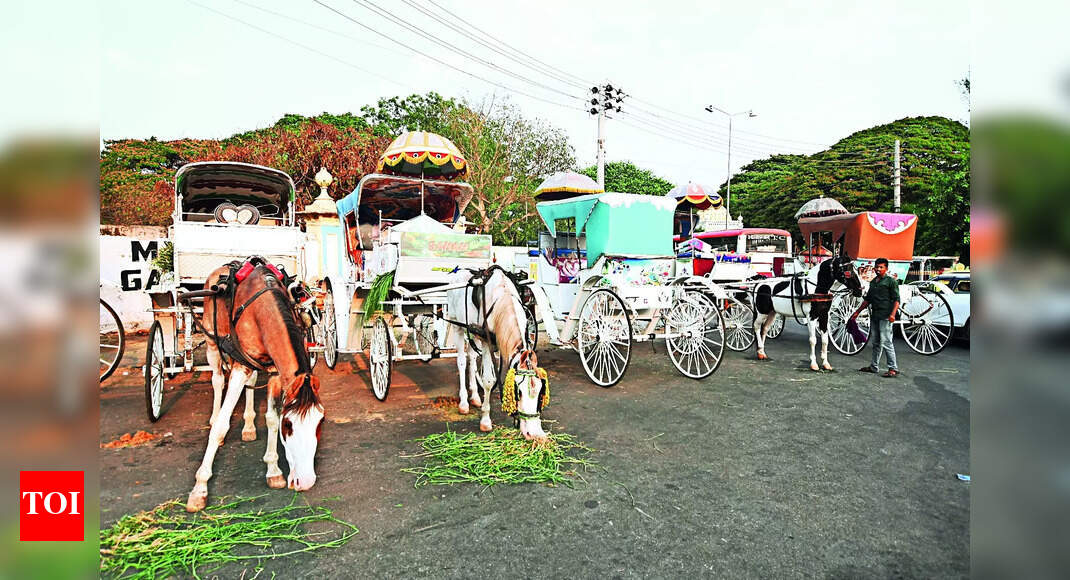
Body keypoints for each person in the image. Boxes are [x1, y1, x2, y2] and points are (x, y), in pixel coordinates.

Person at [852, 257, 900, 377]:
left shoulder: (891, 282)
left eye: (881, 267)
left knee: (887, 342)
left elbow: (896, 300)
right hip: (875, 315)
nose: (878, 269)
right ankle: (874, 366)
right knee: (876, 343)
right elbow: (868, 300)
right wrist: (857, 312)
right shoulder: (873, 282)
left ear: (886, 269)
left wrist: (893, 314)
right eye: (877, 267)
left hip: (886, 316)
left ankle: (893, 368)